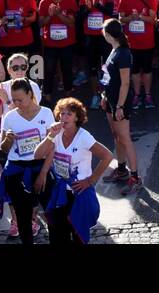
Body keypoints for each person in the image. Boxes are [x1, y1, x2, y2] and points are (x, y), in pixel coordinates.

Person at [35, 97, 112, 245]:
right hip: (60, 191)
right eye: (62, 114)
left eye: (69, 114)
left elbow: (107, 156)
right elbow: (38, 155)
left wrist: (90, 181)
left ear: (77, 117)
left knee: (78, 234)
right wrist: (50, 136)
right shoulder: (54, 132)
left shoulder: (84, 137)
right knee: (58, 234)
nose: (64, 117)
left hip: (79, 192)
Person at [0, 78, 54, 243]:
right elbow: (3, 149)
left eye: (20, 99)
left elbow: (52, 146)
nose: (16, 103)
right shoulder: (9, 117)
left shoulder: (46, 113)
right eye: (14, 100)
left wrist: (43, 173)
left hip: (40, 168)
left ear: (30, 94)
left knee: (52, 212)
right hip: (17, 170)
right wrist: (8, 140)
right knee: (22, 216)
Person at [99, 19, 141, 194]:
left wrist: (120, 107)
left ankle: (135, 178)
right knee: (117, 136)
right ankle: (122, 170)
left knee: (125, 138)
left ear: (108, 35)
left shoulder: (123, 53)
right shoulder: (114, 50)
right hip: (111, 99)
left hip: (119, 102)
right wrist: (104, 96)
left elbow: (125, 83)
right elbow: (110, 77)